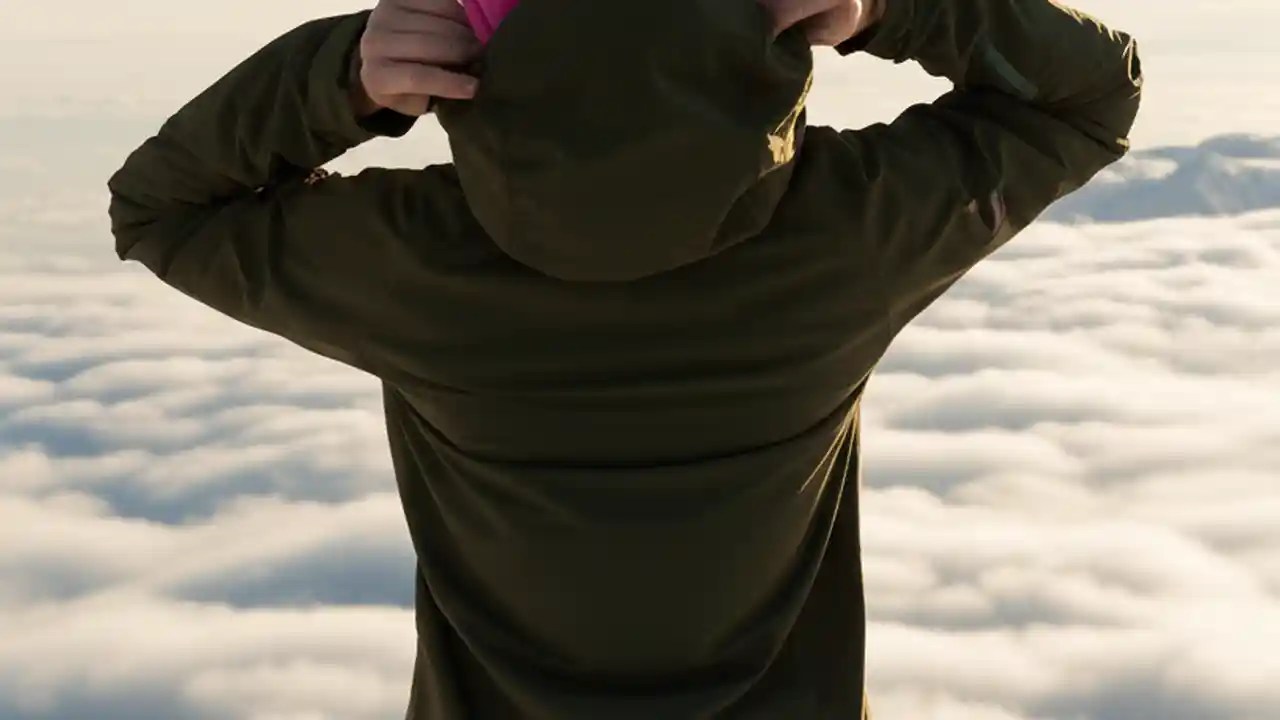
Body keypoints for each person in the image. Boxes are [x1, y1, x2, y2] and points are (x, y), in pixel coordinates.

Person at [107, 0, 1143, 717]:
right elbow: (1090, 97)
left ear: (474, 57)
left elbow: (159, 210)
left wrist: (341, 76)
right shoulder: (848, 233)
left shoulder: (412, 263)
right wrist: (897, 11)